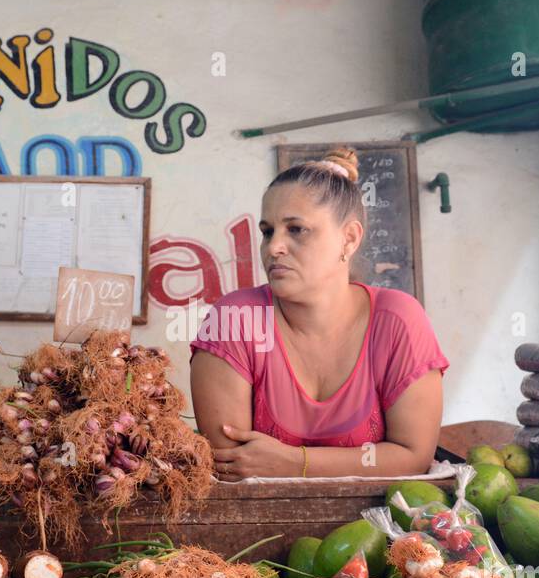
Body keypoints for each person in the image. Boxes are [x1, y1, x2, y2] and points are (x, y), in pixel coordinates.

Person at [190, 147, 448, 480]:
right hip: (254, 527)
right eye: (267, 231)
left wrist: (296, 462)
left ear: (350, 238)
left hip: (379, 528)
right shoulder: (234, 320)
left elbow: (413, 456)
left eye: (296, 229)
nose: (273, 247)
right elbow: (233, 464)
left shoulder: (398, 320)